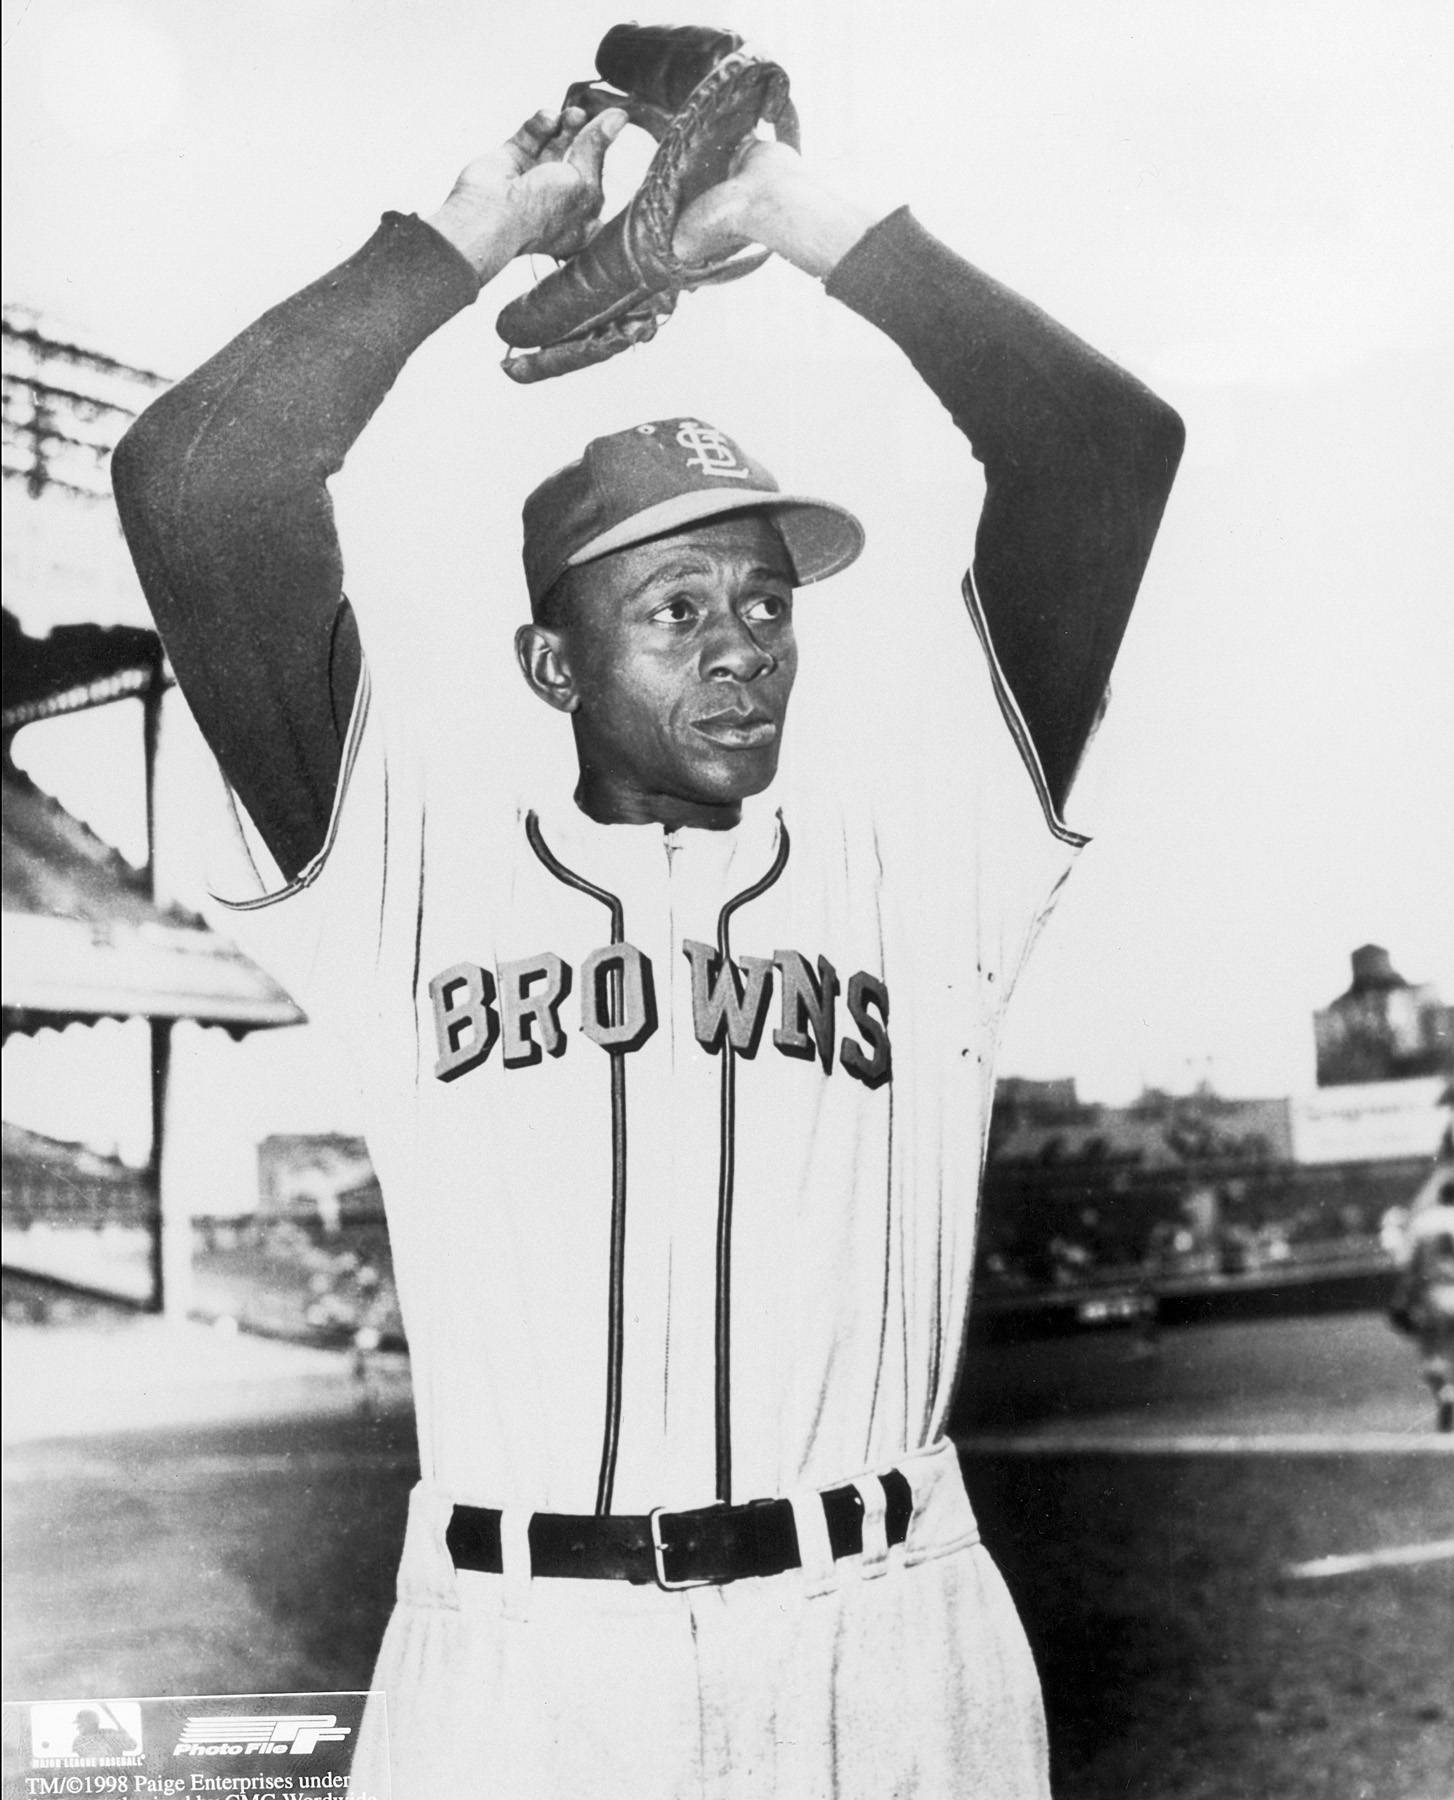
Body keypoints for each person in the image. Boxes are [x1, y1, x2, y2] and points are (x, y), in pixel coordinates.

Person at [114, 90, 1183, 1800]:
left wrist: (776, 200)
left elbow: (1101, 451)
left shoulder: (927, 869)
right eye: (676, 608)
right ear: (554, 667)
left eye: (767, 603)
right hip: (524, 1665)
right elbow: (201, 475)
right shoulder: (405, 869)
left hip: (882, 1641)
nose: (745, 646)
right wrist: (481, 228)